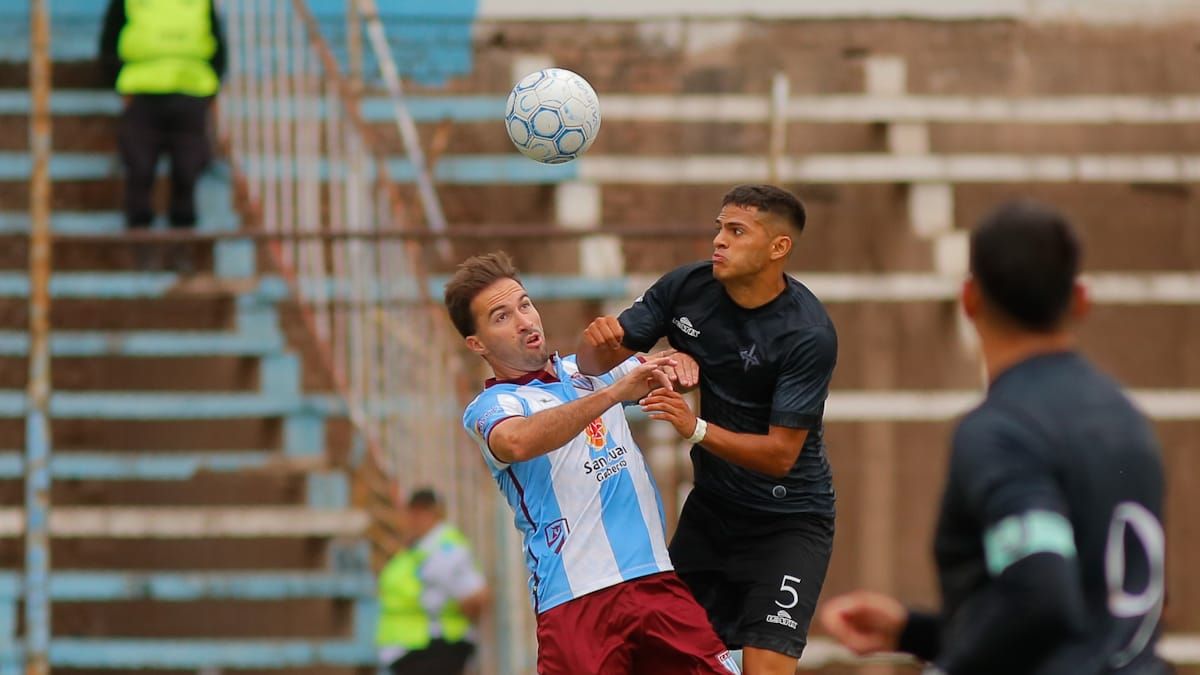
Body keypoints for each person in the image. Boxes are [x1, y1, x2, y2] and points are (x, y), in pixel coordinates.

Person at [819, 200, 1168, 675]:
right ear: (1080, 300)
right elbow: (1084, 620)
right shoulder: (1125, 417)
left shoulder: (1002, 431)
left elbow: (1041, 594)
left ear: (970, 300)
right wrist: (912, 632)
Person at [576, 184, 837, 675]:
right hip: (712, 516)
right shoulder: (687, 289)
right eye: (719, 227)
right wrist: (599, 342)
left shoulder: (807, 334)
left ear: (778, 248)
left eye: (736, 231)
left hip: (788, 522)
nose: (719, 240)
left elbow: (782, 454)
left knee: (764, 667)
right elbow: (595, 360)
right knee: (657, 661)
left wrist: (693, 427)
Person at [445, 251, 740, 675]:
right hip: (577, 602)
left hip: (656, 582)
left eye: (525, 304)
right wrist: (613, 394)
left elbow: (664, 368)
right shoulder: (492, 406)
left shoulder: (588, 371)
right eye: (501, 316)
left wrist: (682, 361)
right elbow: (518, 440)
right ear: (477, 343)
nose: (525, 321)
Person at [99, 0, 227, 272]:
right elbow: (109, 40)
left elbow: (217, 44)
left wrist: (212, 86)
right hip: (142, 94)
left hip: (191, 93)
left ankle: (181, 248)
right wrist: (117, 81)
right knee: (140, 169)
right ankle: (140, 246)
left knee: (187, 172)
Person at [375, 488, 489, 675]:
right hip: (414, 651)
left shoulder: (444, 548)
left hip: (431, 649)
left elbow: (477, 596)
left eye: (414, 513)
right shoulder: (420, 546)